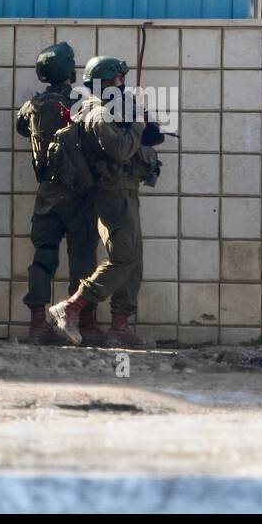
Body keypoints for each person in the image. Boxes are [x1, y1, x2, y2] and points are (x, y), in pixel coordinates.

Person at [46, 56, 162, 348]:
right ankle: (71, 307)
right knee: (123, 256)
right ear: (107, 82)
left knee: (133, 260)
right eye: (119, 80)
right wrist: (136, 126)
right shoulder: (98, 113)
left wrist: (144, 126)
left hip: (126, 189)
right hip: (112, 192)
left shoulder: (113, 109)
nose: (122, 84)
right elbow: (120, 150)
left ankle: (120, 326)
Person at [15, 42, 101, 345]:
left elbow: (22, 129)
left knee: (43, 257)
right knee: (82, 258)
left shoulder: (33, 105)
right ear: (69, 70)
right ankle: (84, 323)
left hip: (48, 192)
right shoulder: (82, 100)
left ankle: (37, 324)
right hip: (79, 192)